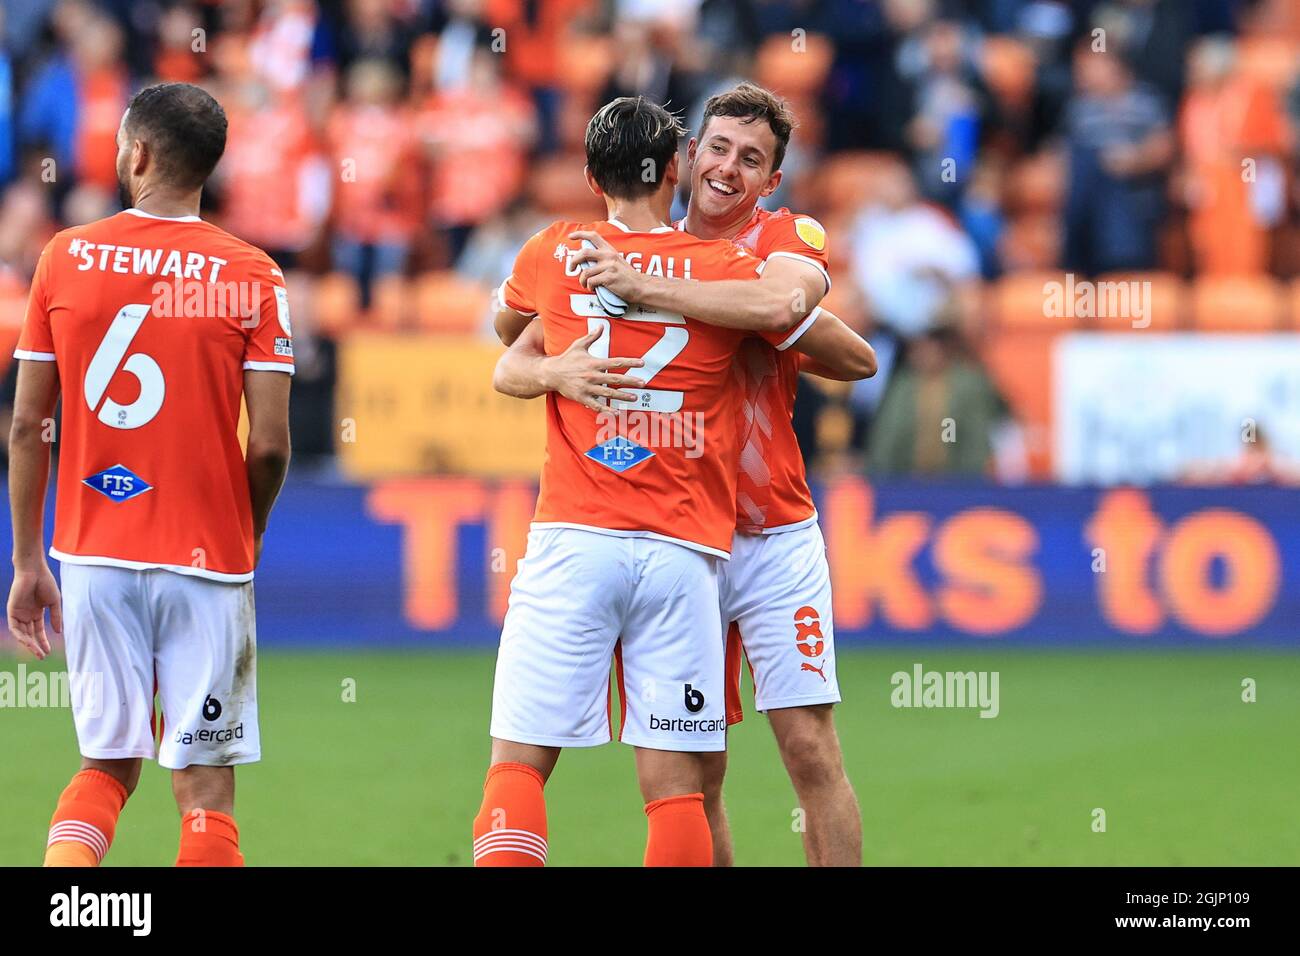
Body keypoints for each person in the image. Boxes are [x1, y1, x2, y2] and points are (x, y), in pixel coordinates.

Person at [494, 83, 875, 865]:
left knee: (807, 747)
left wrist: (645, 289)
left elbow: (813, 327)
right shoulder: (633, 252)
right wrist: (555, 365)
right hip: (681, 535)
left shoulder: (778, 239)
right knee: (694, 772)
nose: (731, 168)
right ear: (686, 155)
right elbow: (516, 344)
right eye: (720, 148)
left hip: (768, 529)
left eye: (754, 159)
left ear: (771, 181)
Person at [6, 82, 293, 867]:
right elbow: (269, 444)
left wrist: (29, 560)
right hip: (206, 556)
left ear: (135, 153)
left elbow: (29, 424)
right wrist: (252, 524)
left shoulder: (64, 256)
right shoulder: (254, 274)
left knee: (105, 767)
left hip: (95, 555)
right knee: (204, 789)